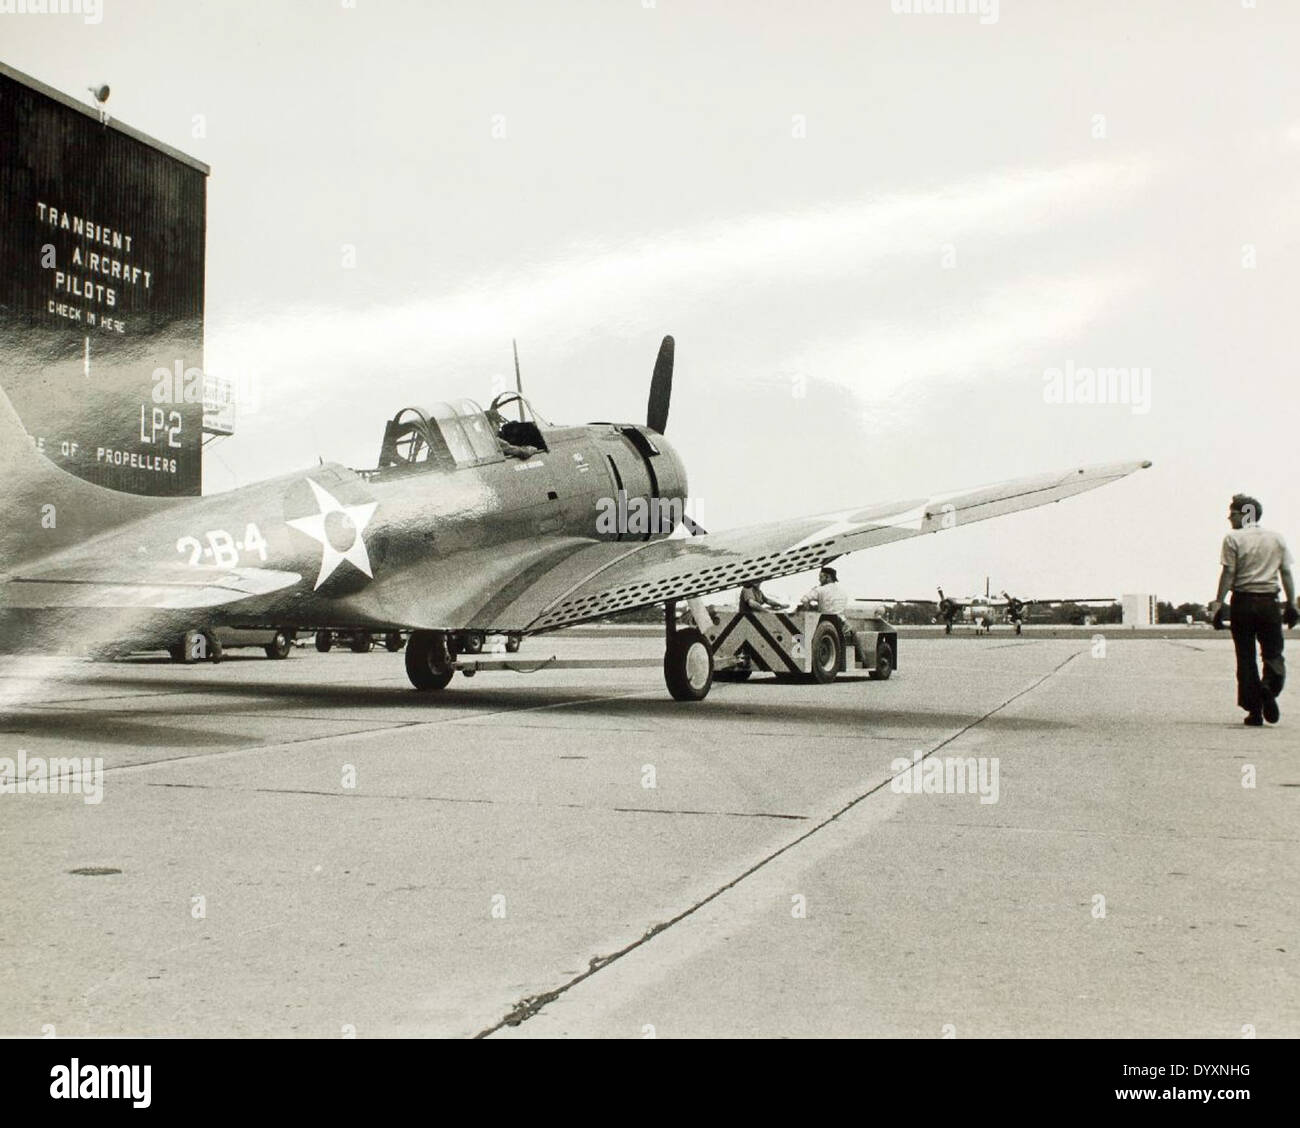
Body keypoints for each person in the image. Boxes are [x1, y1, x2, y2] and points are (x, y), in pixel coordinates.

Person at [1208, 494, 1299, 726]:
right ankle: (1269, 687)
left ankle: (1254, 710)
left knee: (1245, 657)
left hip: (1243, 603)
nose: (1229, 518)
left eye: (1233, 513)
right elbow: (1286, 572)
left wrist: (1218, 604)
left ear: (1246, 513)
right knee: (1273, 652)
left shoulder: (1232, 538)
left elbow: (1229, 573)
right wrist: (1292, 604)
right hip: (1269, 602)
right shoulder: (1276, 538)